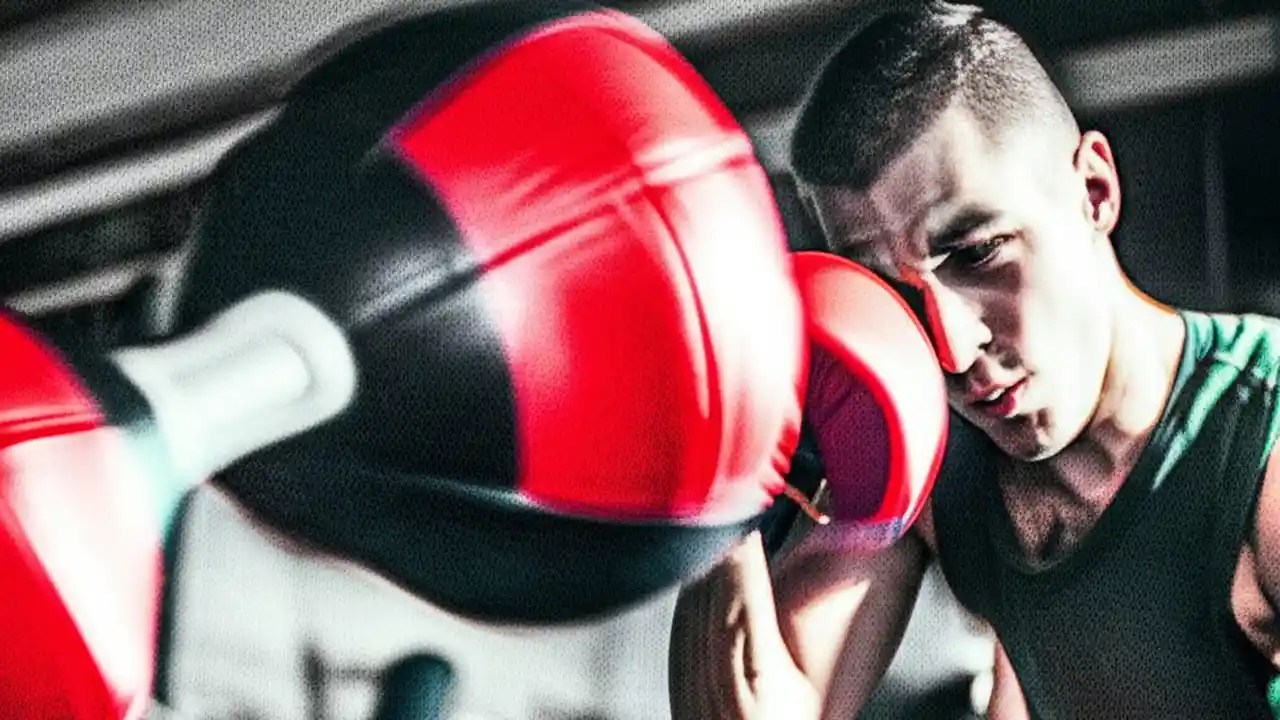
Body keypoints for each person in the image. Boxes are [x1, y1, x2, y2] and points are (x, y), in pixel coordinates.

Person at [669, 2, 1280, 718]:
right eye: (895, 293)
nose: (954, 351)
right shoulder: (933, 452)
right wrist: (725, 462)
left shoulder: (1261, 445)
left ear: (1093, 191)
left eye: (978, 252)